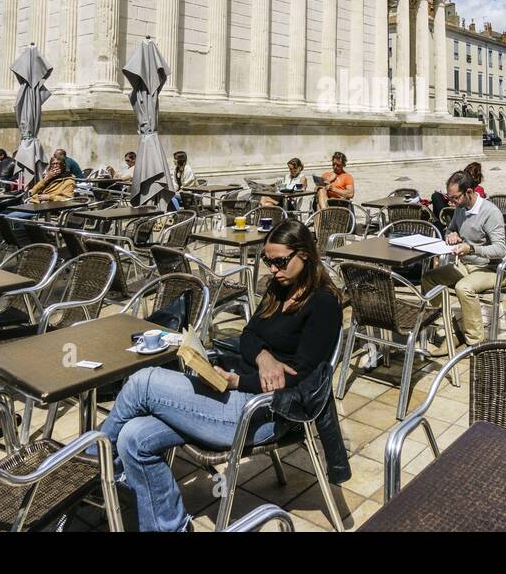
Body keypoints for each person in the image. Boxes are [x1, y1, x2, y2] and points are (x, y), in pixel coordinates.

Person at [99, 219, 344, 531]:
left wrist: (240, 381)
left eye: (280, 261)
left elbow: (302, 379)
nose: (272, 269)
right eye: (268, 261)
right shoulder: (278, 288)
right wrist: (264, 357)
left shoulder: (323, 303)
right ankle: (169, 527)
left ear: (305, 255)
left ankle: (91, 467)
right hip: (231, 396)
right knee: (134, 438)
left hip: (263, 412)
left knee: (141, 382)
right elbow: (248, 336)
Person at [421, 169, 506, 347]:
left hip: (490, 268)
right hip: (466, 264)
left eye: (455, 198)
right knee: (429, 278)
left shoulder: (490, 212)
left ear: (469, 192)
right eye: (449, 198)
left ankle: (475, 342)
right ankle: (442, 325)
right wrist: (451, 234)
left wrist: (472, 248)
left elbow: (500, 249)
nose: (451, 203)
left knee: (463, 287)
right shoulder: (460, 208)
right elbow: (450, 229)